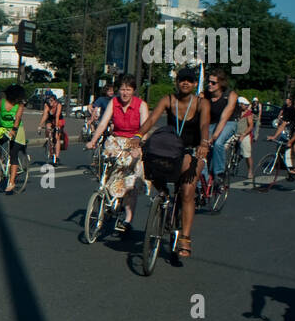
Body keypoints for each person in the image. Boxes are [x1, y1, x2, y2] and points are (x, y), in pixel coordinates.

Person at [137, 67, 212, 258]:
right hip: (168, 150)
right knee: (150, 164)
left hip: (192, 150)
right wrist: (137, 135)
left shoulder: (202, 103)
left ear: (195, 84)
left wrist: (204, 143)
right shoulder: (168, 100)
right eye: (181, 80)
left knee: (187, 191)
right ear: (177, 82)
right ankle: (163, 195)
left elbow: (204, 125)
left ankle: (185, 238)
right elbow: (153, 119)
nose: (185, 83)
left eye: (189, 80)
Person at [87, 73, 148, 231]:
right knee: (105, 161)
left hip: (134, 142)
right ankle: (107, 194)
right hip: (116, 140)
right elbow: (103, 124)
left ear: (133, 90)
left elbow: (145, 129)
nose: (124, 93)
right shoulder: (114, 102)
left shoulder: (141, 105)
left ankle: (127, 220)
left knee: (130, 183)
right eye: (122, 89)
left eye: (128, 89)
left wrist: (139, 147)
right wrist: (93, 141)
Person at [199, 68, 238, 198]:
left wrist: (214, 136)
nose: (209, 85)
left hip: (228, 122)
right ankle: (203, 184)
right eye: (208, 82)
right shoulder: (205, 95)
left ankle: (219, 173)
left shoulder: (230, 95)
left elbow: (224, 118)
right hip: (211, 123)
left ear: (221, 84)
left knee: (218, 143)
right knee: (201, 148)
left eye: (213, 83)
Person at [0, 83, 27, 194]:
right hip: (3, 128)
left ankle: (11, 182)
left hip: (16, 129)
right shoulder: (1, 102)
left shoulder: (20, 105)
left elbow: (18, 118)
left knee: (13, 153)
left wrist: (13, 131)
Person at [38, 92, 64, 165]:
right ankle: (48, 140)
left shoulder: (58, 105)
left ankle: (57, 156)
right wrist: (40, 125)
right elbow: (45, 115)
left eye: (52, 101)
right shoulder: (47, 105)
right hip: (50, 119)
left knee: (56, 137)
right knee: (47, 128)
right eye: (49, 100)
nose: (50, 102)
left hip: (58, 119)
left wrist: (56, 127)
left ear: (55, 101)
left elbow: (57, 116)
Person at [235, 97, 255, 182]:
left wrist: (244, 134)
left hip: (245, 134)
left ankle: (250, 170)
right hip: (235, 133)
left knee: (247, 153)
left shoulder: (248, 113)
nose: (245, 106)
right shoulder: (235, 112)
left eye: (246, 105)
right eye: (244, 105)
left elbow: (251, 126)